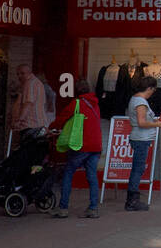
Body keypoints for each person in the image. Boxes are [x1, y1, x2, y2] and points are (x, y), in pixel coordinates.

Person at [49, 79, 103, 218]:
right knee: (92, 176)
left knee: (68, 172)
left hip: (81, 144)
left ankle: (63, 208)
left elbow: (62, 118)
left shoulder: (77, 103)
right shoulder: (95, 104)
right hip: (96, 145)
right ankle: (93, 208)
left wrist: (51, 128)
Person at [125, 76, 161, 211]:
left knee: (138, 168)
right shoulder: (140, 102)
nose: (152, 93)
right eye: (152, 90)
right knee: (138, 169)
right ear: (149, 88)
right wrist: (157, 124)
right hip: (141, 139)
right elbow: (142, 122)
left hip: (140, 138)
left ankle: (132, 199)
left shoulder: (135, 99)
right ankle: (132, 200)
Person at [10, 64, 51, 149]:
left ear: (29, 73)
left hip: (31, 124)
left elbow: (28, 103)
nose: (19, 76)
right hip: (37, 125)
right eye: (18, 74)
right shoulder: (36, 83)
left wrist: (19, 120)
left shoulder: (30, 84)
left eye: (22, 73)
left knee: (27, 152)